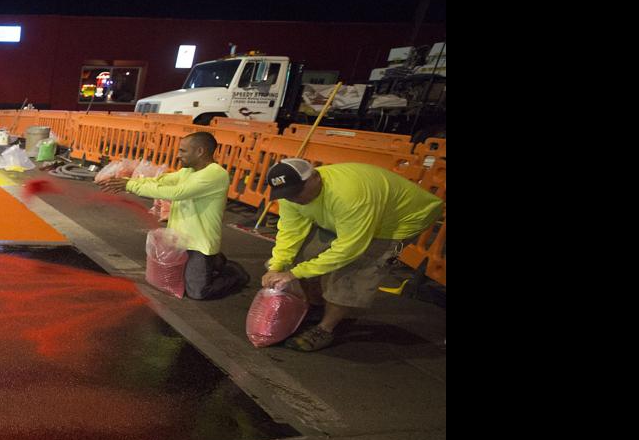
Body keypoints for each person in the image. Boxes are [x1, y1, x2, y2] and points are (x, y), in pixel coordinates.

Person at [259, 157, 443, 352]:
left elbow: (349, 249)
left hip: (398, 221)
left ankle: (326, 328)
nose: (294, 199)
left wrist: (294, 274)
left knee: (354, 270)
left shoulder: (349, 195)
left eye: (297, 192)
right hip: (344, 218)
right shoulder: (291, 195)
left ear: (314, 176)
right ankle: (318, 306)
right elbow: (291, 231)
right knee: (302, 256)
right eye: (287, 195)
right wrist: (277, 266)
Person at [98, 131, 244, 300]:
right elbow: (160, 181)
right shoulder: (188, 172)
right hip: (180, 240)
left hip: (199, 243)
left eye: (183, 151)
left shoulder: (215, 174)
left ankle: (235, 274)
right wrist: (130, 182)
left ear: (200, 151)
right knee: (172, 280)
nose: (178, 155)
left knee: (197, 292)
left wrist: (131, 186)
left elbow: (177, 192)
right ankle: (215, 262)